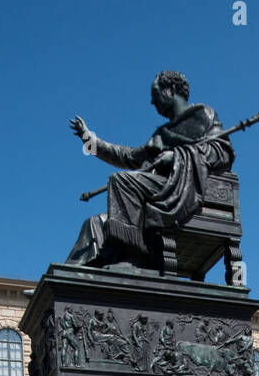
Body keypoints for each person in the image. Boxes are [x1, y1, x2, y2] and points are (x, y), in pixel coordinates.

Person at [68, 71, 235, 267]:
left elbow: (222, 152)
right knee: (95, 224)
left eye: (155, 94)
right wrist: (90, 141)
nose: (152, 102)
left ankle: (133, 255)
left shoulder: (203, 115)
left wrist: (176, 157)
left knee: (120, 180)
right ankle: (77, 278)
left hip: (181, 189)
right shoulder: (161, 133)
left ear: (171, 90)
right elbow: (129, 157)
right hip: (157, 194)